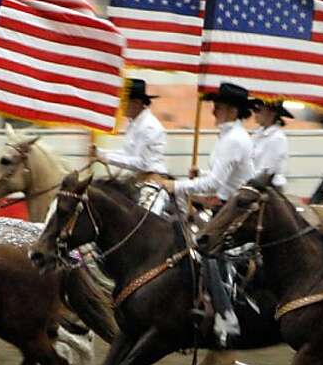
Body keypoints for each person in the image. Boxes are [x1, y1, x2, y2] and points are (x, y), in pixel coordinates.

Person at [158, 82, 257, 344]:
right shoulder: (229, 136)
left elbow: (214, 184)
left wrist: (176, 186)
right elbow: (221, 179)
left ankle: (227, 315)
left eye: (219, 106)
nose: (214, 111)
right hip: (227, 205)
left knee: (206, 248)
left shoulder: (234, 139)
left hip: (238, 210)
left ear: (233, 110)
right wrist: (199, 175)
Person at [94, 78, 169, 214]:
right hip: (135, 181)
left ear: (137, 103)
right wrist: (100, 152)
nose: (121, 106)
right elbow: (127, 153)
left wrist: (106, 157)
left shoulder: (149, 127)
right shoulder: (135, 123)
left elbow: (141, 163)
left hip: (151, 183)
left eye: (124, 102)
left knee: (144, 219)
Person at [250, 98, 293, 191]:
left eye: (258, 110)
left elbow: (266, 171)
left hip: (270, 187)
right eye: (254, 110)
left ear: (272, 113)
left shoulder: (277, 138)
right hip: (254, 182)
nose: (255, 113)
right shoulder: (257, 134)